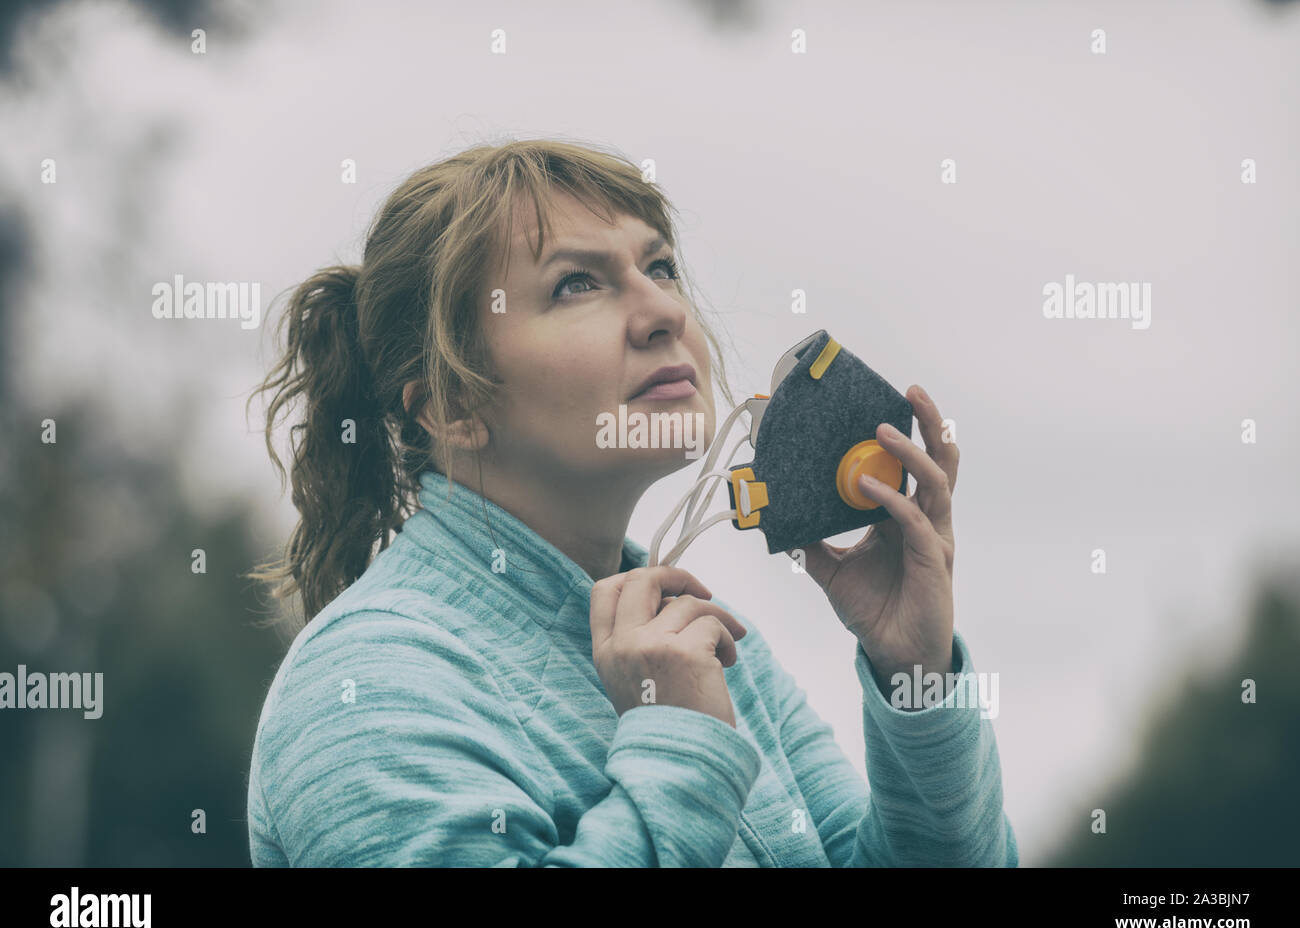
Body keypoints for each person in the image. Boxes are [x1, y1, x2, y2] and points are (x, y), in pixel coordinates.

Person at [243, 137, 1018, 867]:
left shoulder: (705, 650)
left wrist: (915, 678)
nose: (665, 312)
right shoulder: (368, 685)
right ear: (450, 405)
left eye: (662, 266)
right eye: (576, 283)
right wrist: (679, 742)